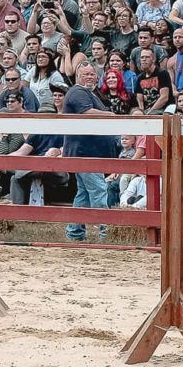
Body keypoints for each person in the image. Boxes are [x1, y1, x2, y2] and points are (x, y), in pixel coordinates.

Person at [61, 60, 118, 241]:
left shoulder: (89, 93)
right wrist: (111, 115)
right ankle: (106, 233)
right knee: (99, 190)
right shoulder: (77, 92)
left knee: (84, 194)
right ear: (77, 75)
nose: (89, 77)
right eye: (85, 74)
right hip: (85, 153)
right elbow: (86, 112)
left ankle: (75, 232)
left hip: (88, 152)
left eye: (92, 74)